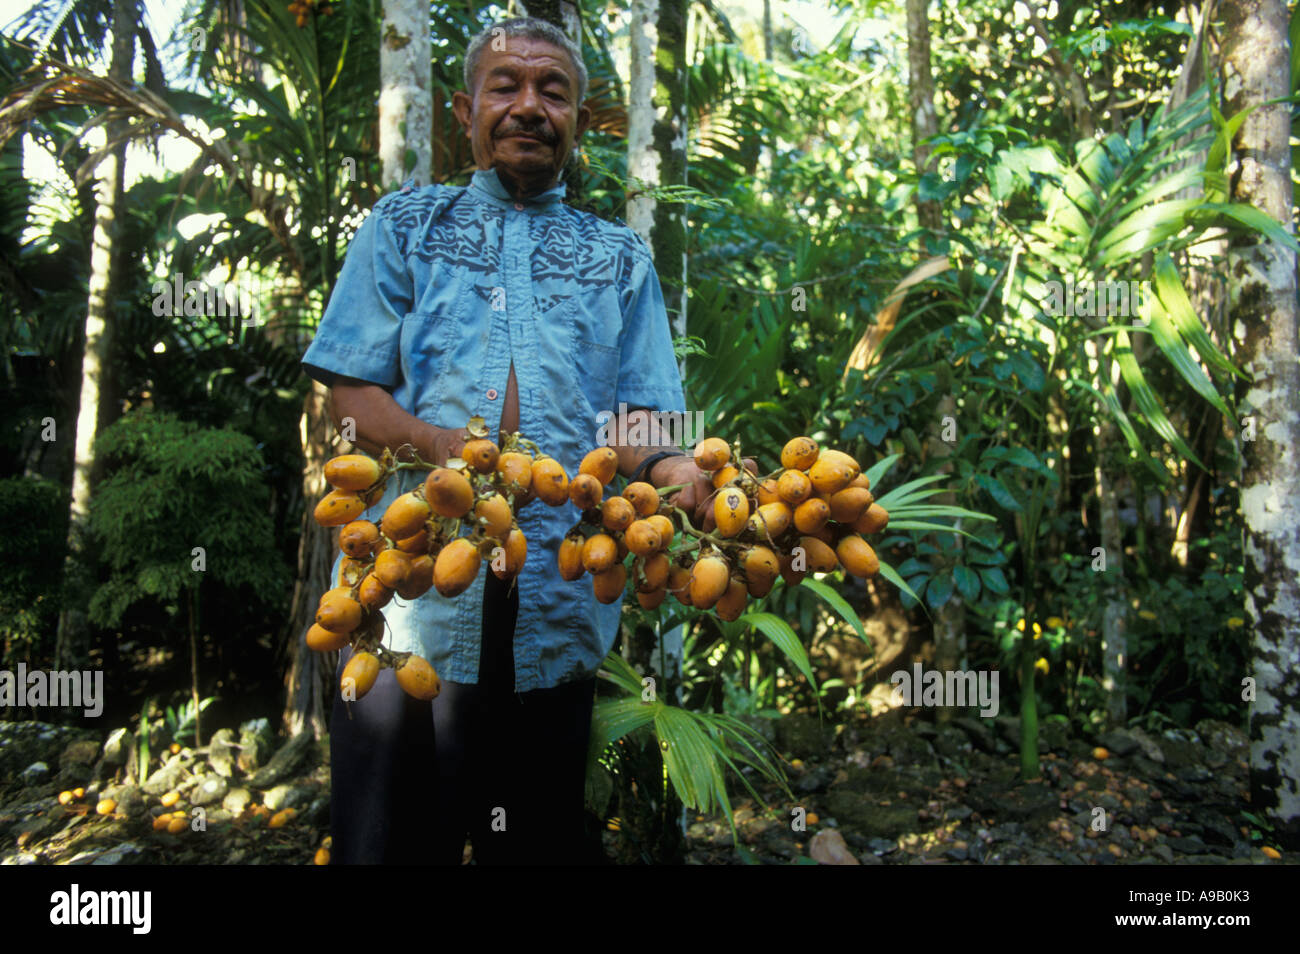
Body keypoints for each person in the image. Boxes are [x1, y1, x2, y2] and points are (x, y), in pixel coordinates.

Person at [300, 17, 722, 865]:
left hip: (554, 604)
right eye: (505, 86)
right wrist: (447, 449)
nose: (528, 106)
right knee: (384, 848)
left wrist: (677, 465)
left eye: (552, 90)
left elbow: (643, 423)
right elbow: (352, 397)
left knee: (529, 847)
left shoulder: (619, 258)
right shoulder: (405, 227)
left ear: (580, 116)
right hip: (405, 600)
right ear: (465, 110)